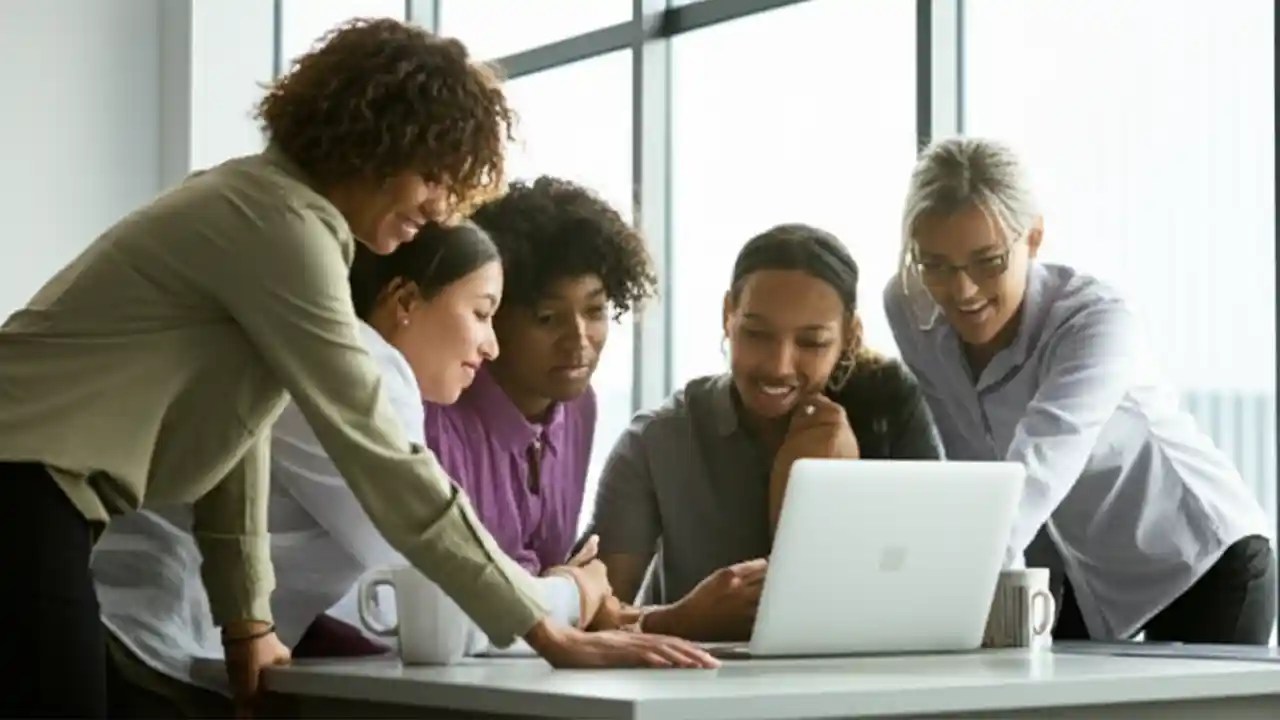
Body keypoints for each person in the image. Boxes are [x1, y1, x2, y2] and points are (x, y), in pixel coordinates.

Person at [0, 18, 712, 719]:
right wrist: (542, 625)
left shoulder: (272, 213)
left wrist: (246, 619)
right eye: (432, 176)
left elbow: (237, 436)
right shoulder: (280, 228)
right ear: (375, 144)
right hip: (22, 483)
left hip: (41, 491)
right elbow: (384, 458)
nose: (438, 209)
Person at [91, 221, 598, 715]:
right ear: (404, 302)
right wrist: (574, 595)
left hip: (162, 642)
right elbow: (429, 595)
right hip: (147, 644)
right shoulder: (366, 372)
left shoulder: (364, 369)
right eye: (482, 313)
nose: (491, 346)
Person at [883, 136, 1276, 644]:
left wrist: (954, 596)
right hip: (1085, 576)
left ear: (1033, 239)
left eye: (988, 261)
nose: (962, 290)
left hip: (1201, 559)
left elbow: (1037, 468)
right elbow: (966, 458)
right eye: (935, 264)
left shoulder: (1096, 322)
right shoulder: (911, 307)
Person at [584, 223, 942, 641]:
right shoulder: (659, 441)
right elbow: (589, 615)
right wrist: (678, 620)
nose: (778, 365)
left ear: (850, 338)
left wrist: (830, 489)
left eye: (811, 342)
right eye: (756, 334)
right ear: (727, 316)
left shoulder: (888, 411)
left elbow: (930, 592)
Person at [387, 175, 660, 659]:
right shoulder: (434, 408)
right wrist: (573, 594)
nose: (579, 340)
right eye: (547, 318)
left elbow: (547, 579)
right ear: (494, 314)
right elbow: (451, 606)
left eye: (595, 311)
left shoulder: (579, 406)